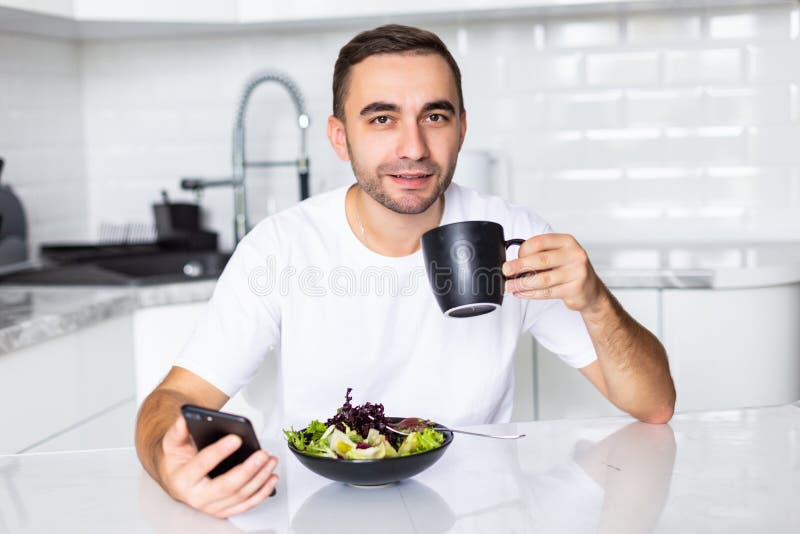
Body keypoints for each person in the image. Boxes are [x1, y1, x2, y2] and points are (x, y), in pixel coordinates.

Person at [135, 24, 676, 518]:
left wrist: (596, 301)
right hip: (317, 510)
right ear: (340, 136)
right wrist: (172, 470)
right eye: (382, 118)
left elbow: (652, 404)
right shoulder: (281, 248)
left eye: (434, 116)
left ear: (462, 128)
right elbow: (166, 405)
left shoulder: (510, 235)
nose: (413, 148)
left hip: (478, 508)